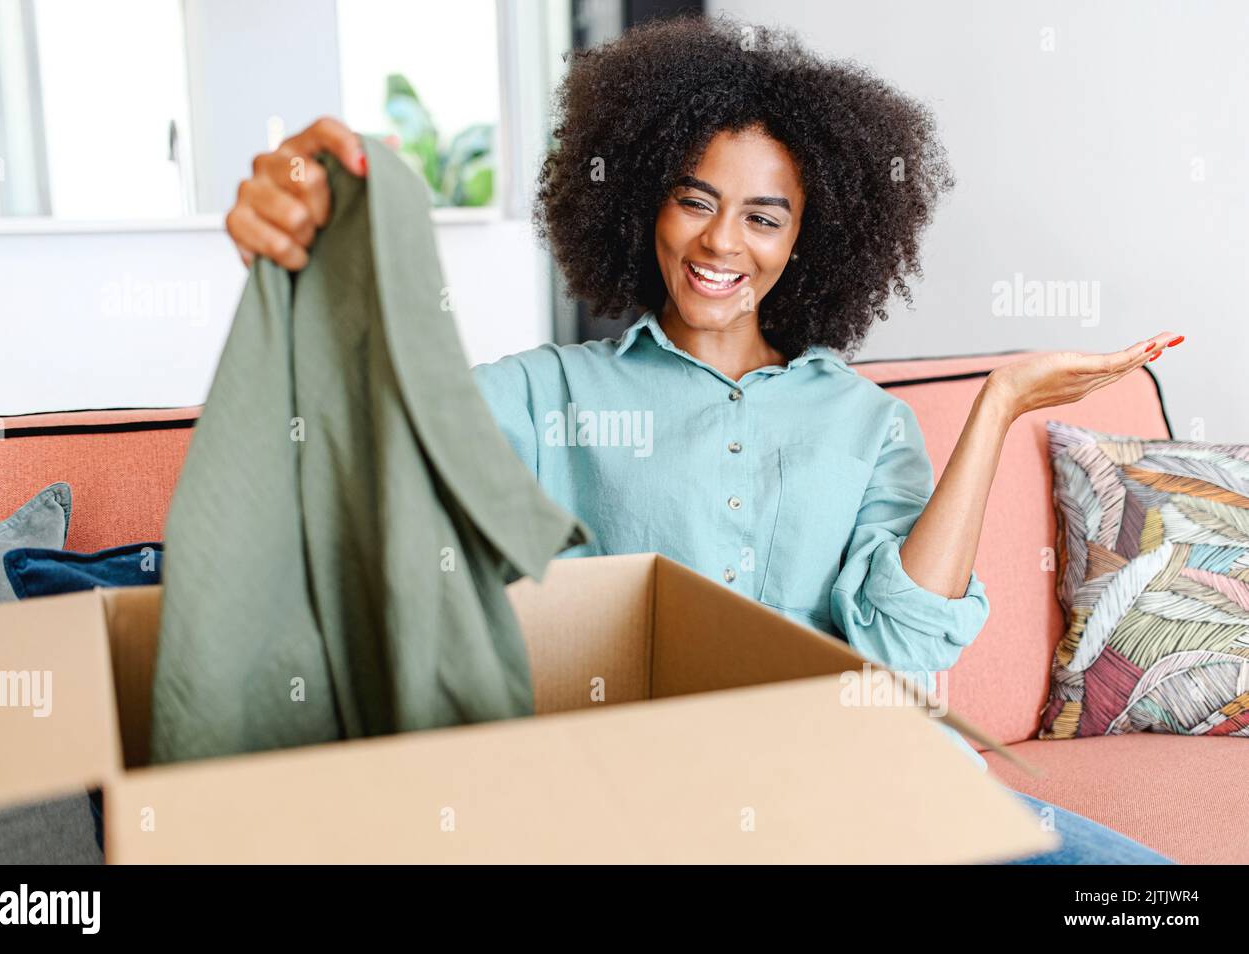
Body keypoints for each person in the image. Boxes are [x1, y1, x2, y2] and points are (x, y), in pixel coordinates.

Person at [223, 14, 1179, 864]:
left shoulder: (865, 419)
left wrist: (1001, 403)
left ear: (806, 241)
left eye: (765, 217)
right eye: (695, 200)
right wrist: (315, 266)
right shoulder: (553, 391)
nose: (723, 243)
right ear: (646, 204)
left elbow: (901, 646)